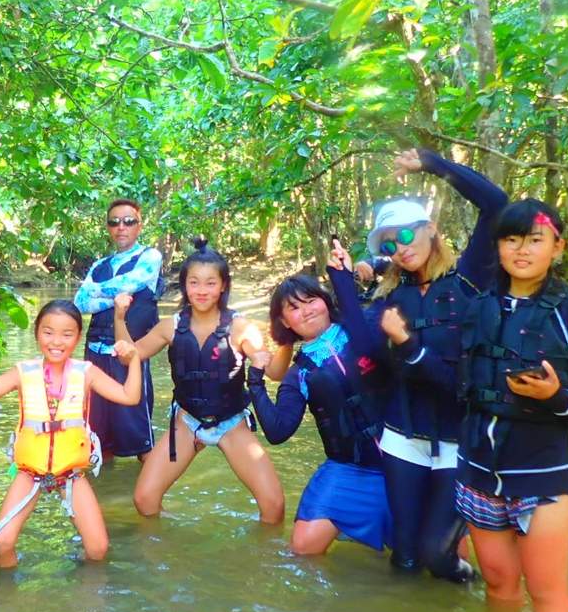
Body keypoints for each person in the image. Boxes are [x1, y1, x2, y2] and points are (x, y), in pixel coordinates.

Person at [327, 148, 507, 583]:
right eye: (388, 243)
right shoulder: (393, 298)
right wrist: (341, 280)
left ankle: (465, 585)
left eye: (405, 235)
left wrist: (431, 163)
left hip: (460, 440)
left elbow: (497, 204)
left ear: (430, 230)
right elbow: (367, 347)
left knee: (435, 554)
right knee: (404, 555)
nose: (399, 249)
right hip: (402, 438)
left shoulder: (469, 278)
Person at [452, 199, 568, 612]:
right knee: (499, 587)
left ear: (557, 248)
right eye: (511, 239)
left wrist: (557, 397)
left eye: (535, 240)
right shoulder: (477, 308)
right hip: (477, 473)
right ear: (498, 247)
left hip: (543, 477)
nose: (522, 250)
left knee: (547, 593)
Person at [116, 237, 287, 524]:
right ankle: (167, 551)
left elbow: (276, 373)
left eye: (210, 283)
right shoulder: (170, 326)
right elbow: (129, 356)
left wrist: (285, 341)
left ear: (223, 286)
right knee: (144, 499)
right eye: (194, 282)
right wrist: (120, 318)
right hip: (187, 421)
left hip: (231, 422)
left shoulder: (240, 328)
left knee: (274, 506)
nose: (202, 290)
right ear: (184, 285)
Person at [0, 300, 143, 568]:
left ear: (78, 337)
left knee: (98, 549)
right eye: (48, 332)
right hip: (29, 472)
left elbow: (130, 396)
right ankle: (9, 597)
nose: (56, 341)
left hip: (70, 473)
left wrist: (135, 359)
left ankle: (80, 585)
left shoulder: (87, 373)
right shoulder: (23, 372)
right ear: (36, 333)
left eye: (67, 334)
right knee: (2, 543)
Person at [247, 275, 392, 556]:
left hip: (405, 459)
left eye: (311, 300)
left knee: (441, 552)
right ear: (286, 322)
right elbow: (278, 431)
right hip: (350, 468)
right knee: (303, 547)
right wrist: (255, 381)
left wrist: (370, 268)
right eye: (294, 308)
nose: (306, 310)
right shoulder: (299, 373)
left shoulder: (363, 330)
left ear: (326, 302)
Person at [73, 199, 163, 461]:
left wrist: (97, 292)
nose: (121, 227)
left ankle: (148, 495)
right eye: (114, 222)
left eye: (128, 221)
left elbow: (132, 282)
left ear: (139, 225)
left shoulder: (149, 256)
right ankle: (106, 495)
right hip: (95, 354)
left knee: (139, 436)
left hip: (128, 352)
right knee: (98, 437)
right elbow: (80, 301)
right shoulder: (99, 264)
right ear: (108, 227)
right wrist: (114, 297)